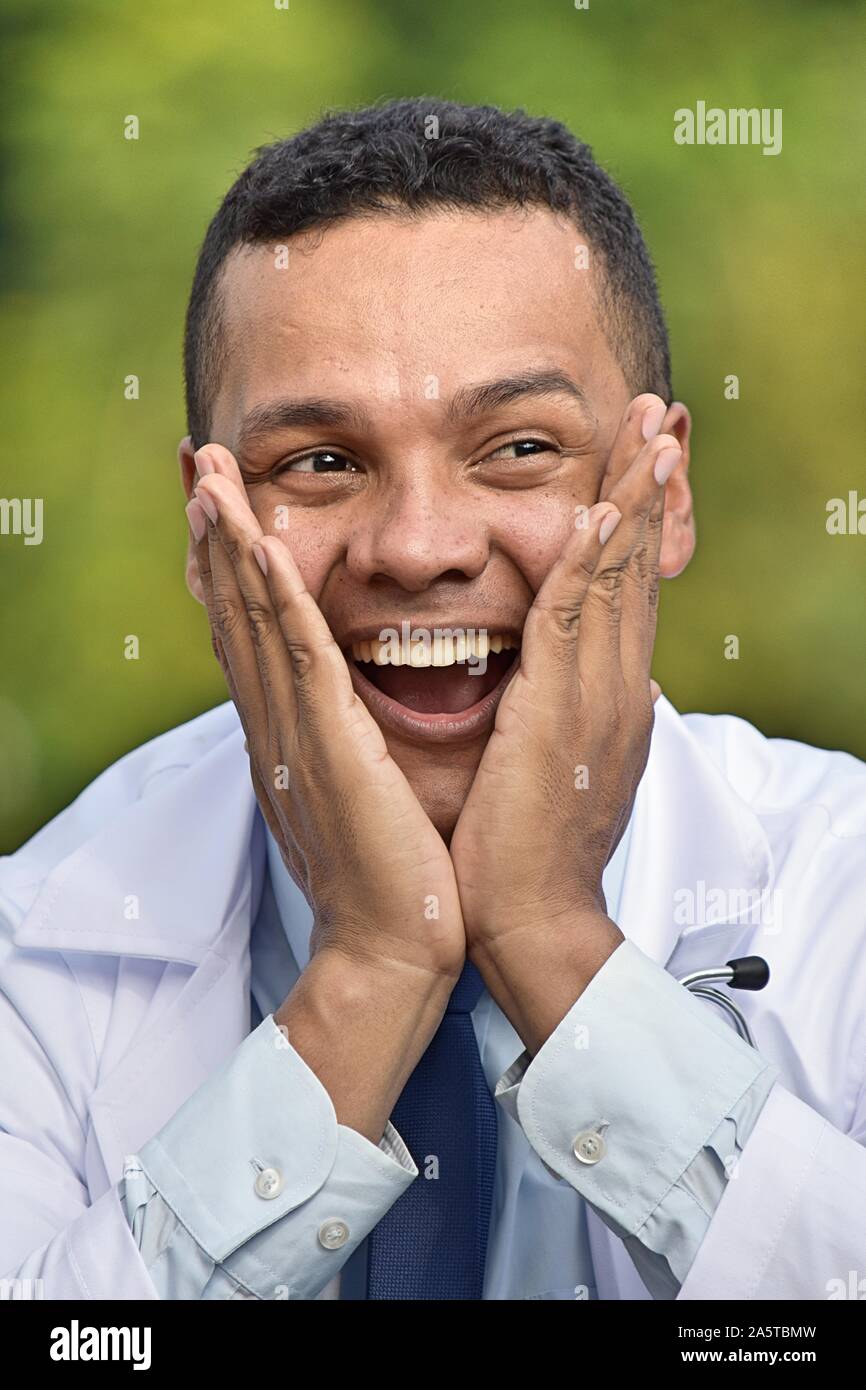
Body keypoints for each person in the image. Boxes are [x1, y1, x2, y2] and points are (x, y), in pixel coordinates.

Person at [2, 99, 865, 1302]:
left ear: (663, 498)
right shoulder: (28, 955)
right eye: (320, 461)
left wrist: (556, 952)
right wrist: (367, 977)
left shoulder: (846, 889)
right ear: (207, 538)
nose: (416, 547)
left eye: (516, 447)